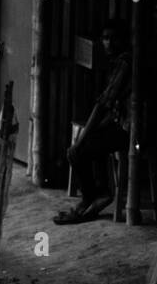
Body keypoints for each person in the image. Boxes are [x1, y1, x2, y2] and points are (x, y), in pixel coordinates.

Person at [54, 18, 132, 225]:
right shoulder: (118, 62)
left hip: (132, 130)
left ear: (123, 40)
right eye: (105, 38)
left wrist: (80, 141)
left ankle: (90, 199)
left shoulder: (125, 63)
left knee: (79, 150)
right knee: (92, 139)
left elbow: (103, 104)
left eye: (113, 38)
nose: (108, 43)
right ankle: (98, 195)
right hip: (123, 124)